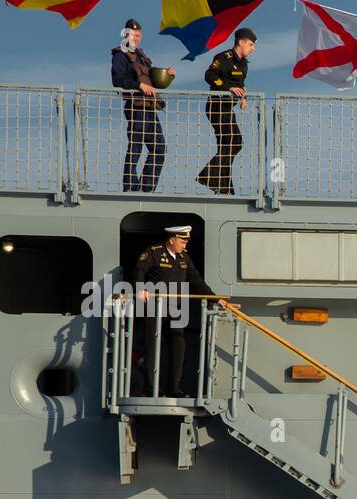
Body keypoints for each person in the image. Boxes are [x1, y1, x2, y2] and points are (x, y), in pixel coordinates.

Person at [130, 226, 226, 398]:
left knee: (178, 344)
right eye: (182, 241)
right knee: (152, 346)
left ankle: (174, 388)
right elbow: (139, 270)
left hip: (175, 307)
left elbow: (196, 279)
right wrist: (140, 288)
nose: (185, 245)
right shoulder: (154, 252)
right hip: (154, 306)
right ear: (172, 240)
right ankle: (152, 388)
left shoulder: (184, 258)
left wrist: (215, 298)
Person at [111, 19, 172, 192]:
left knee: (159, 148)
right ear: (126, 34)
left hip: (149, 107)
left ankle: (146, 188)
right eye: (133, 34)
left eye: (139, 35)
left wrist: (167, 74)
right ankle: (130, 187)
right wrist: (138, 86)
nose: (136, 38)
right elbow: (118, 80)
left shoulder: (141, 56)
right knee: (136, 147)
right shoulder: (120, 55)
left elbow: (151, 79)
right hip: (135, 106)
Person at [198, 28, 256, 195]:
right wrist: (227, 88)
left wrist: (243, 99)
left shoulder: (243, 64)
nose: (253, 48)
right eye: (251, 44)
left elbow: (240, 84)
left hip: (227, 107)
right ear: (241, 42)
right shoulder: (224, 58)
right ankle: (208, 176)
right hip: (216, 106)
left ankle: (224, 188)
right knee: (235, 142)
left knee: (227, 146)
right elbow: (209, 75)